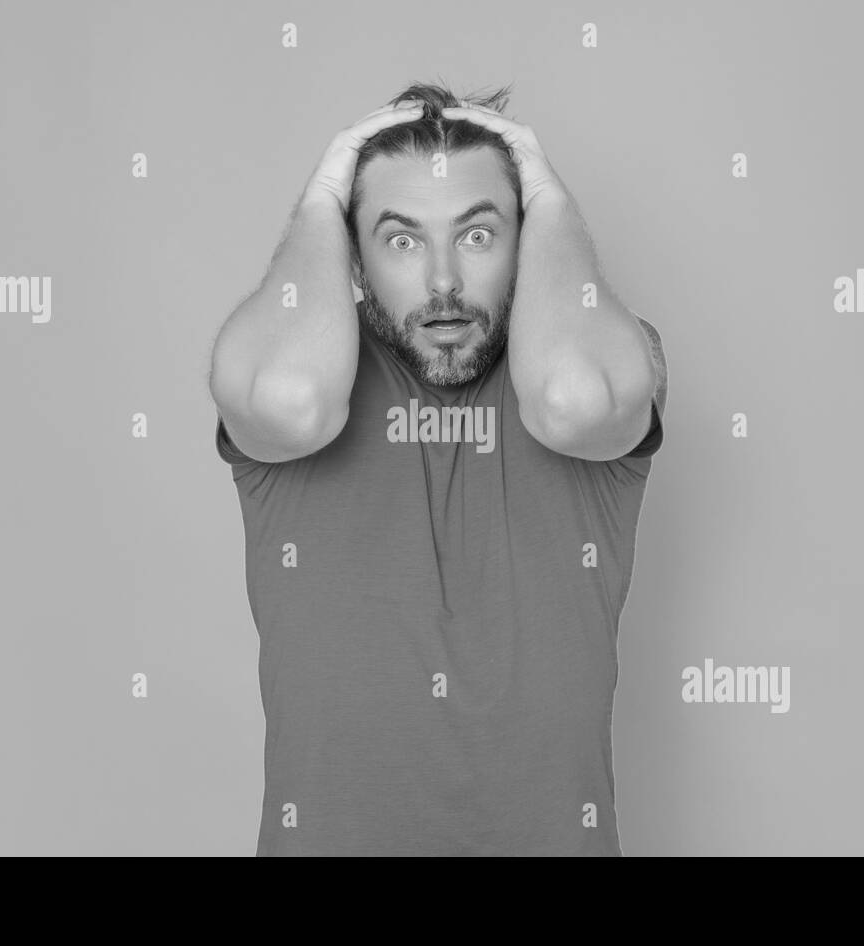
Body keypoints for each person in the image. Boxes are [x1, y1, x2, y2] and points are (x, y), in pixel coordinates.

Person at [209, 82, 668, 856]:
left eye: (480, 235)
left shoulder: (610, 348)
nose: (444, 281)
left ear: (526, 246)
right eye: (402, 240)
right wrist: (323, 197)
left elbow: (573, 402)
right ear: (351, 259)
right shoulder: (292, 355)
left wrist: (547, 194)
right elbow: (290, 403)